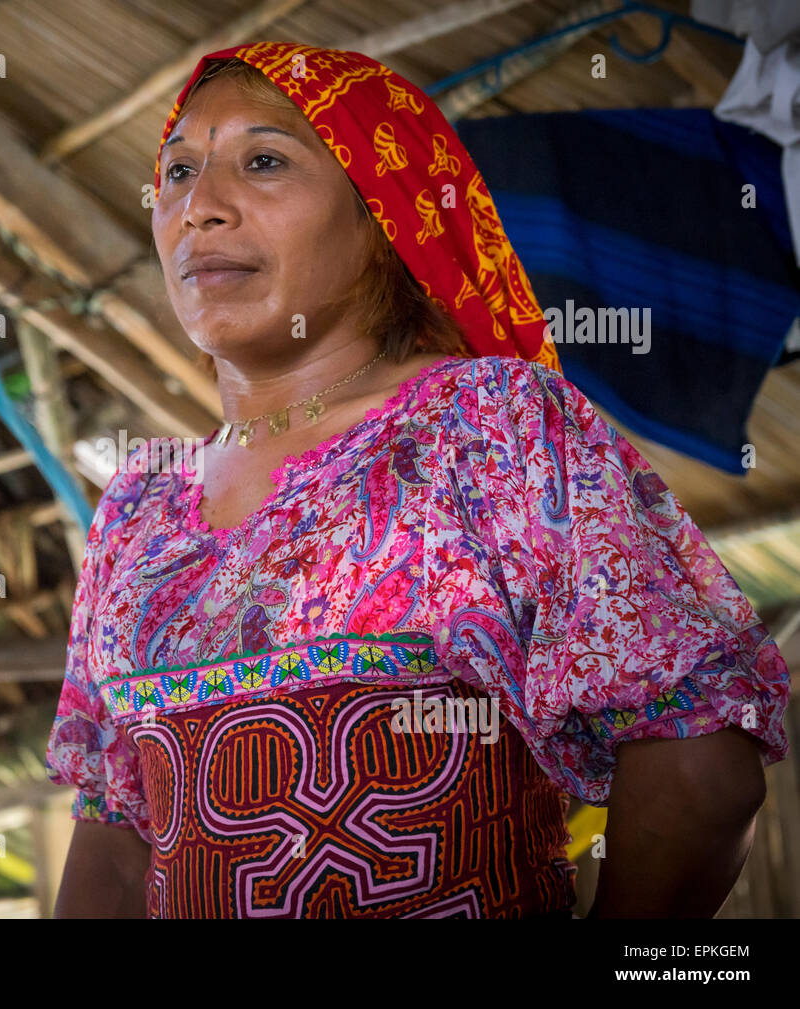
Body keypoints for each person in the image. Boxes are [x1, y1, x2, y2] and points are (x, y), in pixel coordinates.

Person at [44, 41, 791, 918]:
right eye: (176, 173)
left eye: (265, 160)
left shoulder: (489, 429)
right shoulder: (138, 511)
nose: (198, 208)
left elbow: (698, 761)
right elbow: (117, 842)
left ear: (382, 212)